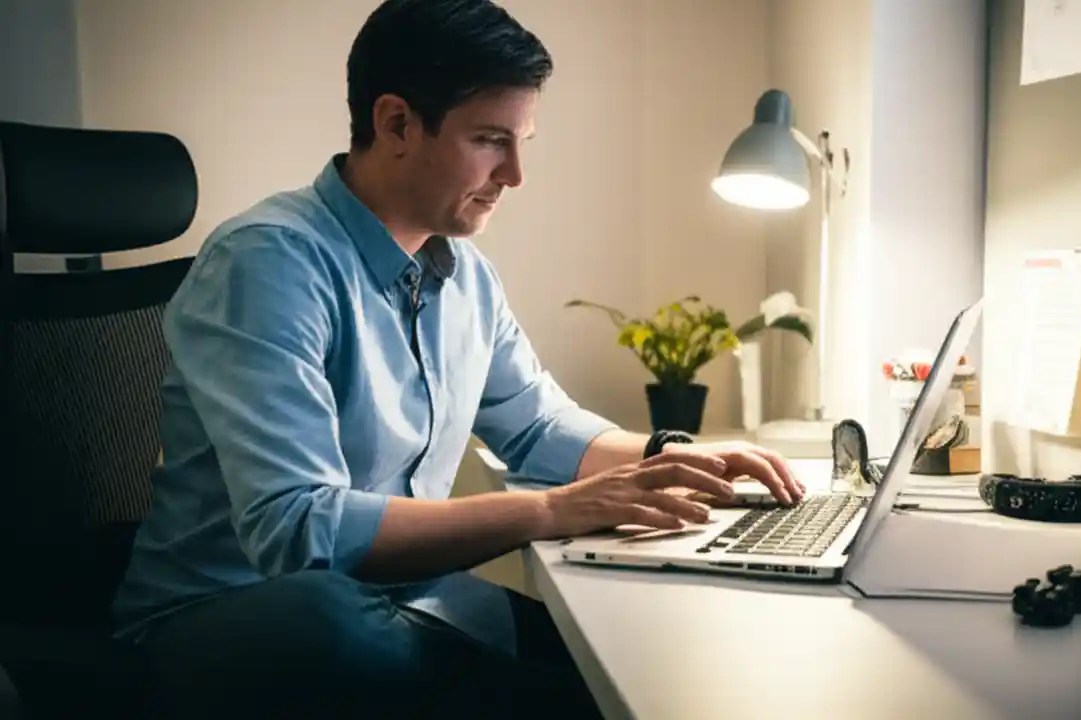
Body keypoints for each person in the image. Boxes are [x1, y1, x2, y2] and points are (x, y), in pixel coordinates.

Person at [112, 1, 802, 717]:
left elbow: (536, 428)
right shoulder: (267, 262)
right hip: (233, 619)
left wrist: (672, 456)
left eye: (523, 140)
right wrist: (552, 511)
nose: (515, 174)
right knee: (538, 688)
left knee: (631, 662)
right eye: (490, 140)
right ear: (397, 124)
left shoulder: (465, 277)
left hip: (397, 603)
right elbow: (300, 530)